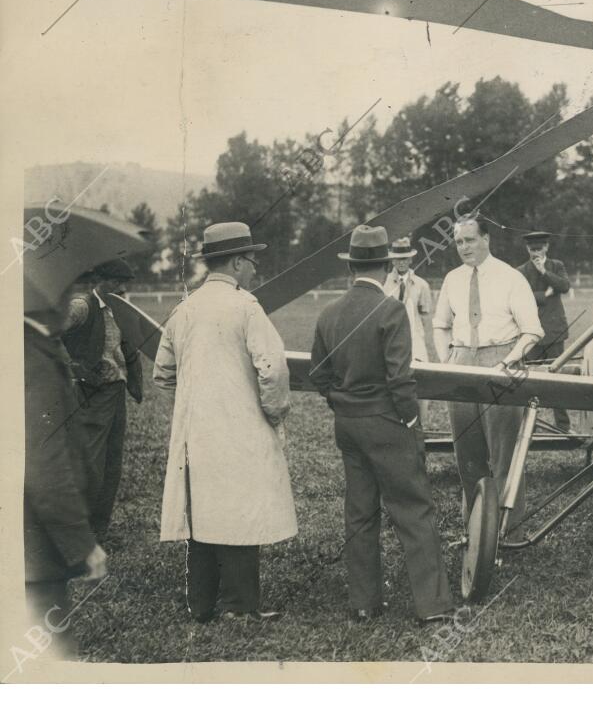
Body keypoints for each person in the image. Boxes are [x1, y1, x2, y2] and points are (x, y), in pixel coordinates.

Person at [153, 222, 296, 623]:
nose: (253, 269)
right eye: (251, 261)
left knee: (202, 516)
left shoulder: (184, 309)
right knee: (240, 512)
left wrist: (194, 403)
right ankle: (238, 605)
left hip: (194, 436)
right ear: (236, 262)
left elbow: (162, 372)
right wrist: (273, 412)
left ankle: (201, 604)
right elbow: (273, 370)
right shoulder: (246, 306)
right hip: (240, 429)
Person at [310, 225, 453, 623]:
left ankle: (364, 603)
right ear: (387, 267)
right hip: (387, 423)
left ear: (351, 268)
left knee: (359, 513)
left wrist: (341, 402)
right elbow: (400, 379)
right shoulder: (391, 309)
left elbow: (318, 375)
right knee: (413, 509)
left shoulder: (328, 313)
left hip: (349, 425)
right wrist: (410, 420)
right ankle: (433, 605)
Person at [433, 216, 542, 531]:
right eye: (459, 242)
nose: (464, 248)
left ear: (486, 239)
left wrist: (507, 362)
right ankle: (476, 529)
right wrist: (447, 362)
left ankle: (509, 530)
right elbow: (440, 325)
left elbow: (532, 331)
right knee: (467, 454)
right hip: (462, 364)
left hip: (501, 362)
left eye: (470, 240)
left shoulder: (511, 277)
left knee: (505, 454)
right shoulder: (453, 279)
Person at [24, 308, 108, 656]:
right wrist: (82, 543)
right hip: (33, 557)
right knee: (51, 661)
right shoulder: (33, 358)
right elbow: (45, 470)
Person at [61, 257, 143, 539]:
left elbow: (128, 348)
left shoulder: (121, 309)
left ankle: (99, 531)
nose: (122, 289)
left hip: (116, 392)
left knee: (111, 463)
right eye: (117, 283)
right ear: (101, 281)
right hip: (90, 394)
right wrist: (76, 370)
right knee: (90, 465)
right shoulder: (81, 306)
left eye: (125, 284)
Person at [516, 230, 573, 432]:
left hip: (554, 332)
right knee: (530, 381)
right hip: (531, 332)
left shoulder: (556, 265)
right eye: (532, 249)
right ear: (527, 249)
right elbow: (520, 297)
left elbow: (564, 286)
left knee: (556, 378)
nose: (535, 253)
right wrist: (544, 295)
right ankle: (528, 426)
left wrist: (544, 273)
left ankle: (563, 426)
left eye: (539, 249)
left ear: (546, 247)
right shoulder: (521, 271)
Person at [383, 235, 437, 424]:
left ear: (411, 258)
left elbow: (425, 314)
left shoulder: (421, 285)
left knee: (419, 386)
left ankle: (420, 428)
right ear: (392, 260)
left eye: (405, 258)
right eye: (398, 258)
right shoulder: (384, 284)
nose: (402, 262)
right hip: (390, 342)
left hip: (416, 344)